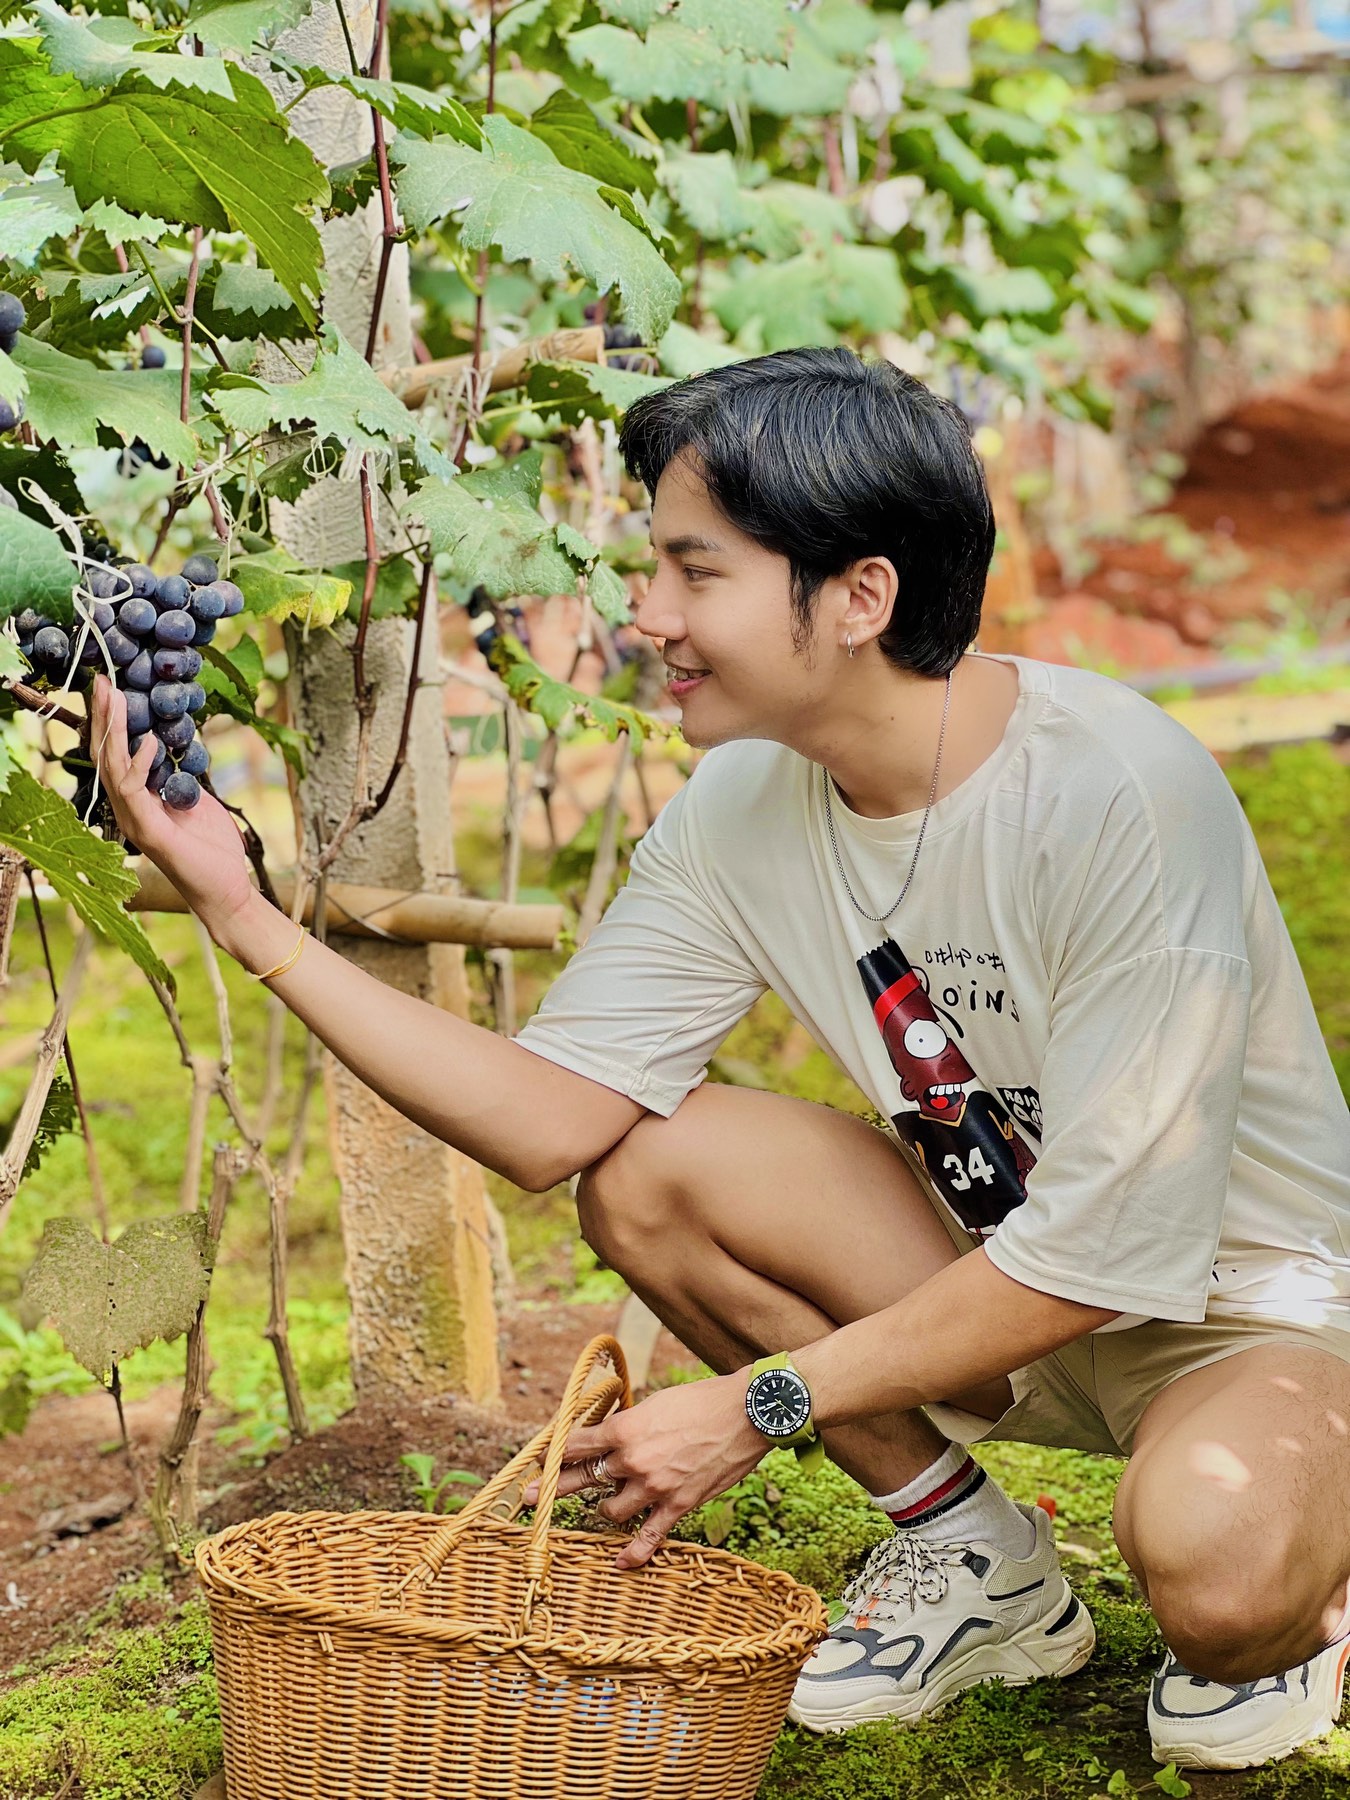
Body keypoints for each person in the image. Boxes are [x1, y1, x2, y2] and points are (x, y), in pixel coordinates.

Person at [92, 346, 1350, 1774]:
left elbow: (1096, 1257)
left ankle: (1316, 1550)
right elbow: (551, 1121)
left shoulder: (1118, 794)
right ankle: (976, 1569)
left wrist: (766, 1402)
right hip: (991, 1282)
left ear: (858, 596)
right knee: (650, 1172)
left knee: (1215, 1576)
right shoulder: (744, 805)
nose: (646, 617)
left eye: (696, 573)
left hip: (1242, 1316)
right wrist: (246, 917)